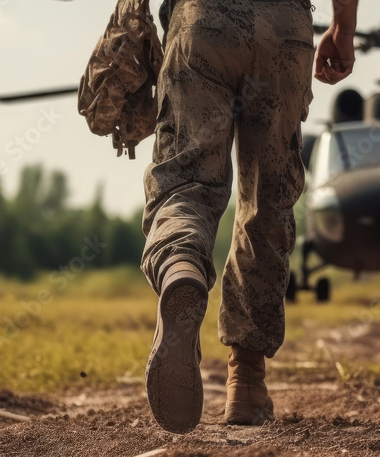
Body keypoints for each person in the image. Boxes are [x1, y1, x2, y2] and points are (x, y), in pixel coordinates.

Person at [142, 0, 359, 434]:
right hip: (285, 31)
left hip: (202, 23)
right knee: (267, 198)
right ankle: (246, 380)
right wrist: (342, 29)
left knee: (187, 181)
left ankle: (181, 268)